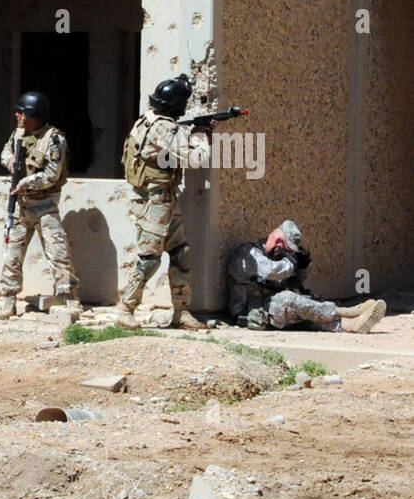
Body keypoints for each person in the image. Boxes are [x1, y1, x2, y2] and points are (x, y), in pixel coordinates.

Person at [114, 74, 210, 330]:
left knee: (181, 253)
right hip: (154, 202)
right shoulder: (166, 128)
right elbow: (197, 159)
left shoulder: (146, 120)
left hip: (162, 199)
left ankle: (181, 311)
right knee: (150, 259)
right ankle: (125, 309)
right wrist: (200, 134)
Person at [0, 92, 81, 319]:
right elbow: (5, 151)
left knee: (58, 254)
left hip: (45, 206)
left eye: (21, 112)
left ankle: (69, 297)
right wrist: (10, 161)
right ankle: (8, 298)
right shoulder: (18, 134)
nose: (17, 115)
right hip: (22, 207)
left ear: (33, 115)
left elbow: (52, 174)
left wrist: (25, 182)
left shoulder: (54, 140)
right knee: (12, 255)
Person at [227, 220, 385, 333]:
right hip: (251, 312)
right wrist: (292, 263)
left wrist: (303, 267)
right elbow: (270, 272)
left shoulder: (279, 258)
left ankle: (349, 325)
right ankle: (347, 312)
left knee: (308, 305)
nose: (288, 254)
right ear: (277, 241)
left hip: (272, 310)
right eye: (287, 250)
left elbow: (295, 281)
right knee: (288, 300)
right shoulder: (249, 254)